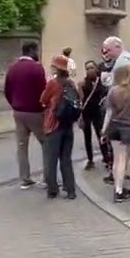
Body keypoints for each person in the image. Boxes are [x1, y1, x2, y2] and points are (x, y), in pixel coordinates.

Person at [4, 41, 47, 189]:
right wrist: (44, 108)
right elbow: (43, 91)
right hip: (35, 112)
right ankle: (47, 177)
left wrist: (14, 104)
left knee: (22, 146)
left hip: (18, 111)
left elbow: (7, 90)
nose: (38, 53)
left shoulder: (12, 68)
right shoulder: (36, 68)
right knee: (46, 143)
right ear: (32, 51)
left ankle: (25, 178)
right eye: (37, 50)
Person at [101, 63, 130, 203]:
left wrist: (103, 130)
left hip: (114, 127)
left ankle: (118, 187)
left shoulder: (113, 91)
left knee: (116, 159)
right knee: (123, 161)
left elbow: (108, 112)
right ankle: (119, 191)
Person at [39, 55, 78, 200]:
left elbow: (43, 100)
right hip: (68, 125)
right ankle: (70, 190)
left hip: (53, 125)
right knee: (66, 159)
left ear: (56, 68)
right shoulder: (72, 84)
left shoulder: (53, 84)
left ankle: (52, 189)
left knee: (51, 159)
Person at [78, 60, 108, 170]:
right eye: (87, 68)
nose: (89, 70)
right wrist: (80, 115)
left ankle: (106, 157)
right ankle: (90, 160)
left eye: (91, 67)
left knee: (101, 135)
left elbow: (105, 95)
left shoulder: (101, 82)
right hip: (86, 112)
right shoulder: (83, 83)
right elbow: (81, 100)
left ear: (96, 68)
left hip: (97, 112)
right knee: (87, 137)